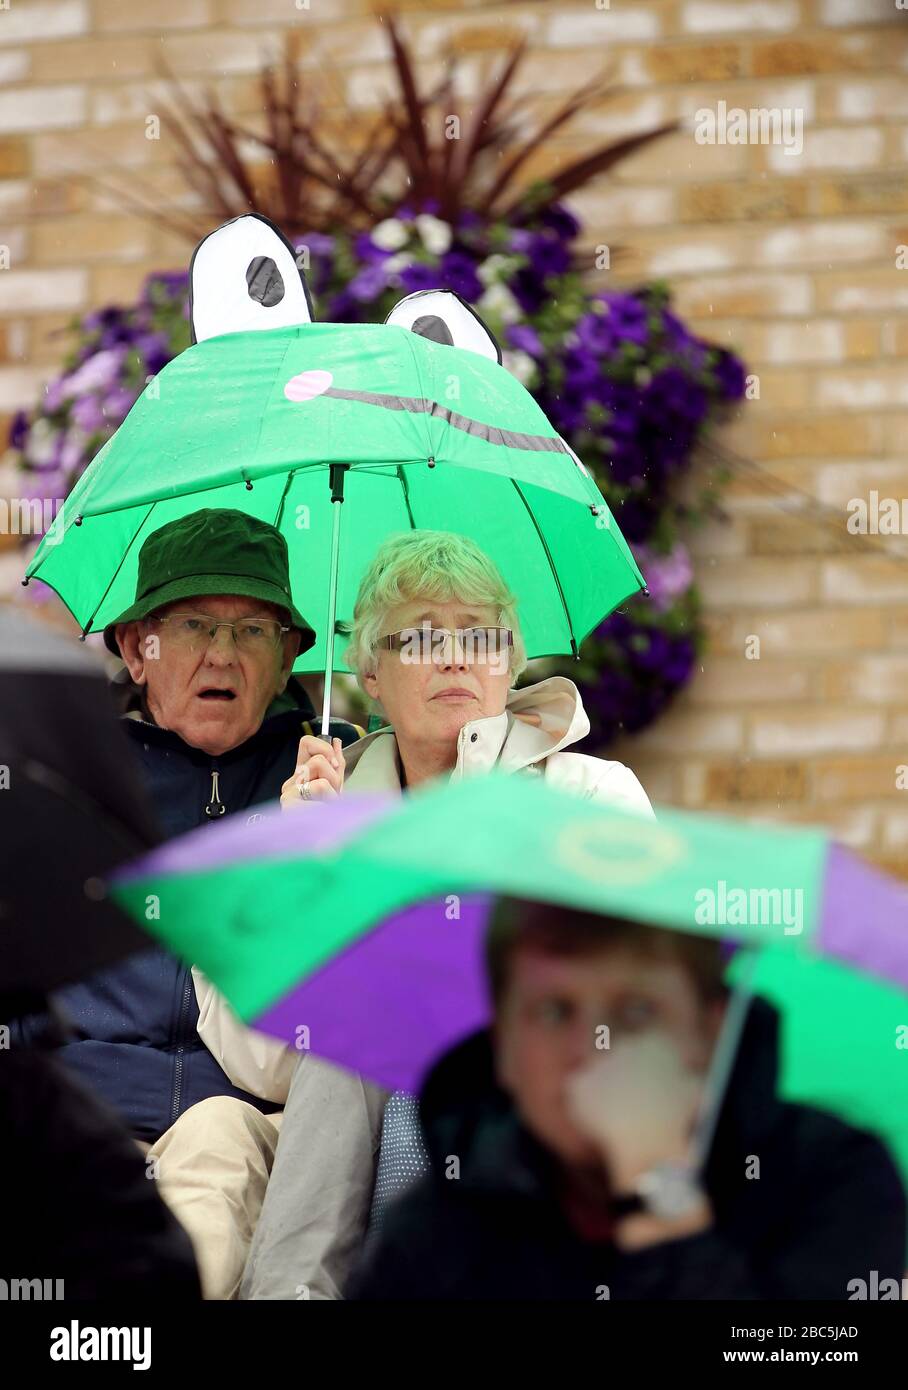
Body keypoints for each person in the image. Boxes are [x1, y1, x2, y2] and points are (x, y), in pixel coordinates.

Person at [241, 529, 654, 1300]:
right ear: (369, 669)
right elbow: (254, 1055)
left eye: (482, 635)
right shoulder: (319, 816)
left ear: (510, 659)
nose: (457, 656)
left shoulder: (594, 797)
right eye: (424, 636)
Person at [46, 507, 367, 1300]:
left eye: (254, 630)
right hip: (91, 1111)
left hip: (252, 1122)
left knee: (215, 1146)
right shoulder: (72, 780)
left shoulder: (341, 777)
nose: (223, 653)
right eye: (194, 624)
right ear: (135, 647)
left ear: (292, 652)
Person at [348, 896, 907, 1300]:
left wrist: (656, 1186)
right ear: (503, 1051)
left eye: (636, 1012)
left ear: (709, 1035)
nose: (595, 1048)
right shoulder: (437, 1232)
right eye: (554, 1012)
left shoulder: (831, 1179)